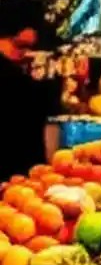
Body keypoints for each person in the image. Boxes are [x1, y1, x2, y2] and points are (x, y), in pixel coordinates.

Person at [0, 28, 57, 180]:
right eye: (20, 47)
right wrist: (48, 77)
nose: (25, 53)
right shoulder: (13, 76)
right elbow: (45, 104)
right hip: (17, 169)